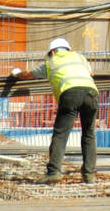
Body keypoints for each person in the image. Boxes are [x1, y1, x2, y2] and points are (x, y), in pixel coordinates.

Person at [10, 38, 99, 185]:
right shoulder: (80, 57)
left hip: (70, 94)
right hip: (91, 94)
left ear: (52, 52)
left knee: (61, 134)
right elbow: (91, 74)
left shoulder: (51, 62)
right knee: (89, 134)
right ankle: (89, 175)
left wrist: (16, 74)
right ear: (68, 49)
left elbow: (28, 74)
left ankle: (54, 172)